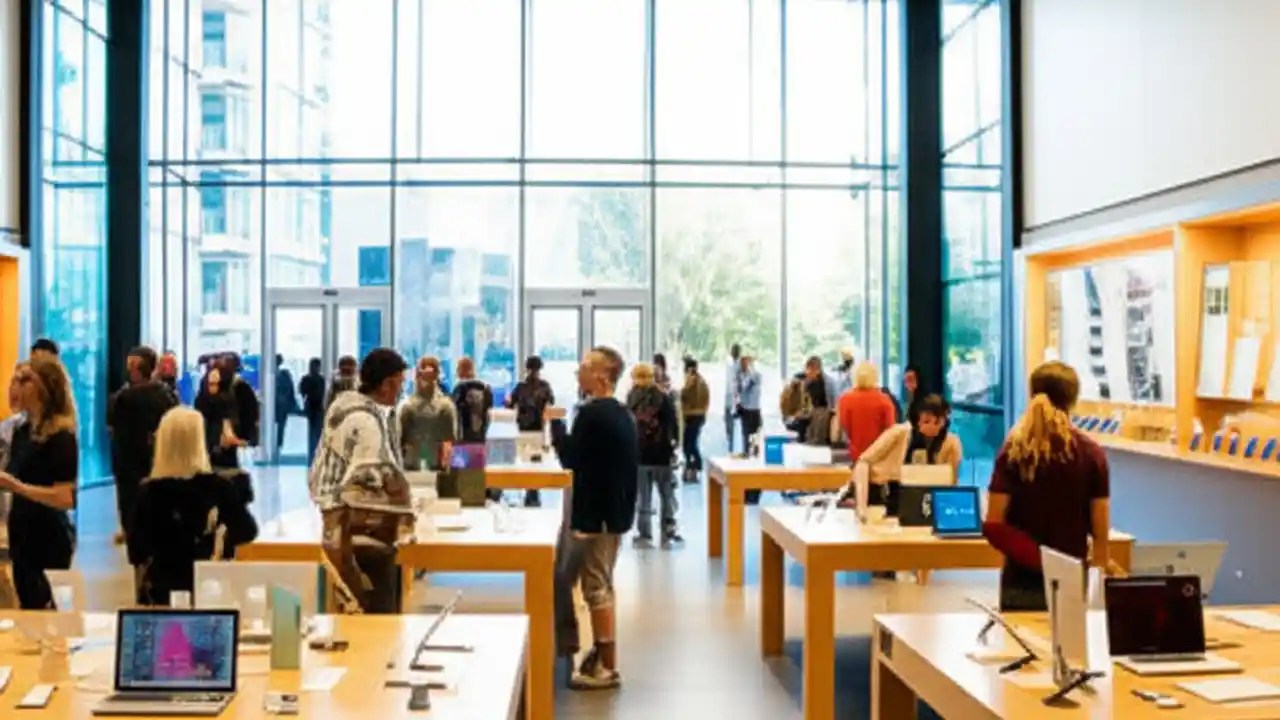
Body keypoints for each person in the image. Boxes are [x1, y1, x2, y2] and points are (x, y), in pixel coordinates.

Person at [983, 361, 1115, 611]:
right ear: (1074, 399)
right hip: (1072, 577)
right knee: (1072, 649)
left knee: (1020, 647)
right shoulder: (1091, 455)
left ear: (1032, 395)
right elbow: (1100, 535)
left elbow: (994, 523)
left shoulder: (1014, 451)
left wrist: (1040, 559)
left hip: (1021, 578)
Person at [550, 346, 637, 690]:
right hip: (607, 512)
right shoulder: (619, 413)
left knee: (595, 586)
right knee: (571, 578)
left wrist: (556, 426)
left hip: (596, 516)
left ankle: (605, 663)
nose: (578, 373)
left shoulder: (593, 414)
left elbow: (571, 457)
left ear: (601, 375)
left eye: (584, 367)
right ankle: (577, 648)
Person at [309, 348, 411, 613]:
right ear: (387, 384)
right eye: (399, 384)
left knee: (347, 609)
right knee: (376, 615)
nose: (400, 391)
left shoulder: (342, 405)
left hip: (333, 523)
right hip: (359, 533)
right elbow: (365, 485)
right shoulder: (366, 423)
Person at [128, 407, 259, 605]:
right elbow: (248, 530)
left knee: (171, 637)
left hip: (162, 595)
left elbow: (136, 551)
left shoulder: (148, 493)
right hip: (211, 590)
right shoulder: (218, 488)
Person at [0, 357, 78, 609]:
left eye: (25, 380)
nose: (17, 387)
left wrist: (16, 487)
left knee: (44, 613)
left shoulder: (61, 437)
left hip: (48, 537)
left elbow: (64, 498)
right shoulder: (22, 432)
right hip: (21, 534)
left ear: (44, 387)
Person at [107, 346, 178, 555]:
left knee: (132, 510)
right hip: (156, 465)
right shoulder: (167, 396)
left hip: (130, 467)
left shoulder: (122, 399)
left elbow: (112, 429)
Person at [840, 394, 963, 513]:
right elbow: (863, 462)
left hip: (923, 500)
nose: (932, 427)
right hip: (881, 495)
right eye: (926, 421)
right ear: (917, 420)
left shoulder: (952, 443)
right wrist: (862, 506)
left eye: (938, 422)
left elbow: (951, 484)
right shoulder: (899, 433)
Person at [626, 363, 681, 548]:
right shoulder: (664, 398)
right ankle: (668, 530)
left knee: (644, 496)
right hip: (662, 453)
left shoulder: (631, 399)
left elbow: (628, 426)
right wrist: (675, 445)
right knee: (666, 493)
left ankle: (644, 533)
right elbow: (673, 425)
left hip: (639, 453)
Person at [505, 356, 555, 507]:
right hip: (538, 428)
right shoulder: (545, 387)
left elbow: (509, 404)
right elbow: (551, 402)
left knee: (525, 460)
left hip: (523, 429)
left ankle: (529, 491)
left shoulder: (520, 387)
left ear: (526, 368)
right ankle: (534, 492)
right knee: (536, 461)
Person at [400, 356, 457, 471]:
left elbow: (450, 441)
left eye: (431, 376)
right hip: (412, 466)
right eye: (423, 375)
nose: (426, 380)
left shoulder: (445, 406)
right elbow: (400, 439)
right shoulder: (407, 406)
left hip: (436, 466)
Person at [837, 362, 897, 461]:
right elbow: (890, 431)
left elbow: (845, 427)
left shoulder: (844, 400)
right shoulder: (884, 400)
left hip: (855, 455)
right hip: (880, 455)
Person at [195, 367, 245, 471]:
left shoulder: (228, 401)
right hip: (208, 452)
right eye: (211, 384)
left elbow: (232, 423)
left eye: (217, 384)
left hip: (226, 455)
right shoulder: (202, 401)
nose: (214, 388)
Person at [679, 357, 709, 484]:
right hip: (699, 415)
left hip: (692, 415)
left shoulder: (692, 379)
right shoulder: (701, 380)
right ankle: (694, 466)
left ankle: (695, 465)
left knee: (688, 444)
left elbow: (685, 394)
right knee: (691, 443)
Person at [298, 358, 326, 465]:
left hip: (316, 408)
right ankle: (313, 456)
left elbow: (302, 391)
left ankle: (315, 456)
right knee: (313, 434)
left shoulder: (317, 379)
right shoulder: (315, 379)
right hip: (313, 408)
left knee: (316, 434)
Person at [274, 354, 300, 454]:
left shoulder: (284, 374)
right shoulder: (276, 374)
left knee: (281, 425)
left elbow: (290, 390)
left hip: (281, 404)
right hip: (278, 404)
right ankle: (277, 444)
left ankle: (279, 444)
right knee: (280, 425)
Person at [722, 343, 742, 453]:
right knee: (729, 427)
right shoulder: (729, 365)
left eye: (736, 350)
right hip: (728, 399)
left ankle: (735, 450)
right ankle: (730, 448)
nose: (734, 352)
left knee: (737, 428)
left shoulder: (741, 366)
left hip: (737, 400)